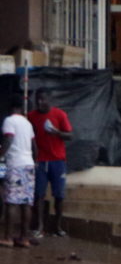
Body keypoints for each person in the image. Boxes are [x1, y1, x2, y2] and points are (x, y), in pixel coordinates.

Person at [27, 89, 73, 238]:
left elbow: (69, 135)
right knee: (38, 194)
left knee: (59, 195)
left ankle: (58, 226)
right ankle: (40, 226)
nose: (40, 102)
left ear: (49, 100)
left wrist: (57, 133)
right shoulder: (31, 116)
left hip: (57, 160)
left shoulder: (59, 115)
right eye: (38, 100)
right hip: (40, 160)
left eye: (43, 100)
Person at [2, 99, 34, 248]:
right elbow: (34, 145)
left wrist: (1, 155)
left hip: (15, 164)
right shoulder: (28, 124)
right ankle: (24, 238)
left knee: (11, 202)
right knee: (26, 203)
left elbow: (8, 138)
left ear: (11, 109)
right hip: (29, 164)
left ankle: (8, 237)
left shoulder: (9, 120)